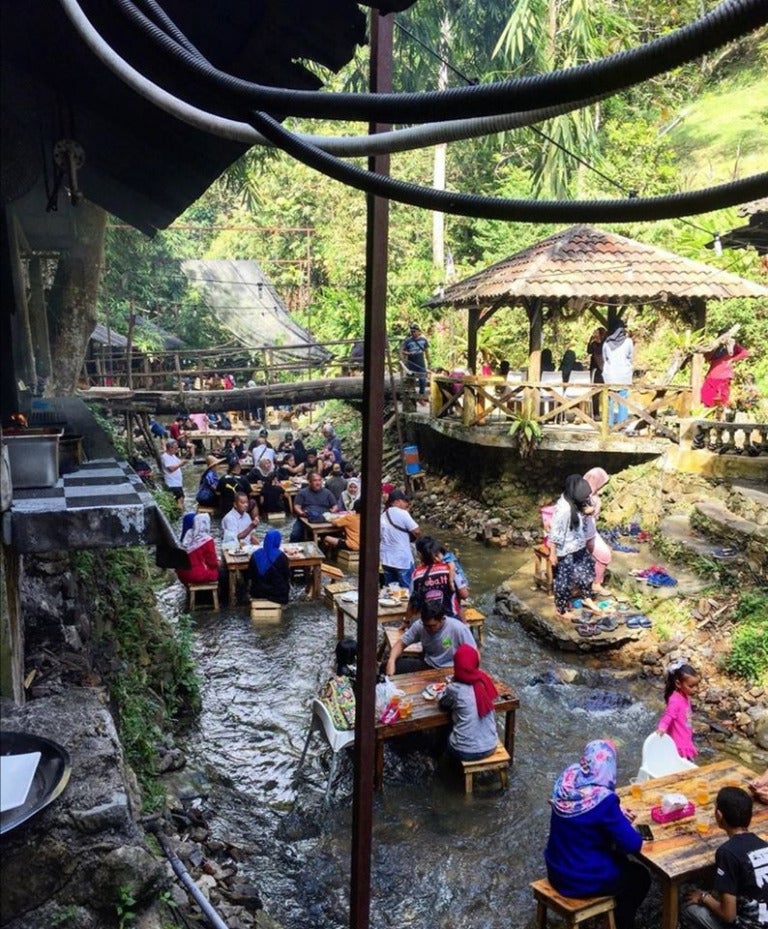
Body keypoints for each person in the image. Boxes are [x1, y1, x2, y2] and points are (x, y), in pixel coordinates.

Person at [545, 739, 650, 929]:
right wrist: (622, 820)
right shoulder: (603, 800)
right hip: (581, 880)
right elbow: (632, 845)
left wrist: (615, 814)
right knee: (640, 876)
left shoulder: (566, 781)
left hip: (555, 869)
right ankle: (620, 923)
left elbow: (585, 818)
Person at [681, 786, 768, 929]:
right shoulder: (763, 844)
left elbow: (729, 916)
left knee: (688, 908)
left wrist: (703, 897)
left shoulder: (727, 853)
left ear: (719, 815)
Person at [548, 474, 600, 620]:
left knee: (586, 571)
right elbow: (555, 533)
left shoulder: (575, 500)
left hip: (578, 544)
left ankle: (586, 597)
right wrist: (553, 554)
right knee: (563, 581)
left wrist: (586, 510)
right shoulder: (563, 510)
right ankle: (562, 609)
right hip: (564, 550)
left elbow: (580, 512)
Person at [385, 596, 476, 676]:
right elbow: (401, 644)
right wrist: (391, 661)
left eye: (433, 626)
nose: (430, 629)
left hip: (452, 668)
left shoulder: (458, 628)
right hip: (429, 664)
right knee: (388, 665)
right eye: (426, 626)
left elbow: (474, 653)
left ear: (442, 619)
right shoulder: (420, 625)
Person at [438, 643, 498, 761]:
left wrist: (446, 688)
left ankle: (444, 765)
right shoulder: (484, 681)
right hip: (491, 745)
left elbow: (443, 704)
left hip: (465, 751)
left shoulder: (455, 689)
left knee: (444, 732)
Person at [407, 536, 463, 622]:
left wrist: (406, 621)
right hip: (452, 620)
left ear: (419, 554)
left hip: (429, 623)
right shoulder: (450, 568)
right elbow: (464, 594)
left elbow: (412, 602)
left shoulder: (416, 574)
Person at [656, 659, 699, 760]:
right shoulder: (675, 700)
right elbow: (668, 716)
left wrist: (689, 726)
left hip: (686, 739)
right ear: (678, 684)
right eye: (691, 686)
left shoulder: (685, 696)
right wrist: (662, 728)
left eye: (697, 685)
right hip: (679, 745)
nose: (696, 689)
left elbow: (684, 715)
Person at [380, 489, 421, 590]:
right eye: (404, 501)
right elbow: (416, 531)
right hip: (402, 559)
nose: (406, 504)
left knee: (391, 590)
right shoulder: (402, 513)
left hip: (386, 559)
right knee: (408, 590)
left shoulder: (383, 515)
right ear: (397, 501)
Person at [701, 328, 750, 410]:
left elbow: (745, 353)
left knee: (721, 397)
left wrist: (732, 359)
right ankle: (708, 413)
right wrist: (715, 347)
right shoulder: (715, 345)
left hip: (724, 375)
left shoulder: (733, 345)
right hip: (712, 374)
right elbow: (707, 357)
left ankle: (719, 416)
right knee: (706, 394)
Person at [583, 466, 612, 596]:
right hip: (578, 534)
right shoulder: (580, 494)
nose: (602, 486)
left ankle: (596, 584)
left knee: (605, 554)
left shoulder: (594, 495)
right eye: (601, 483)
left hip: (591, 532)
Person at [602, 318, 634, 426]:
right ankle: (622, 424)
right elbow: (630, 357)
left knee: (610, 400)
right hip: (624, 375)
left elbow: (604, 358)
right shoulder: (628, 342)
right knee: (623, 401)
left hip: (610, 375)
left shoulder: (606, 343)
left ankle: (609, 424)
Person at [290, 471, 338, 542]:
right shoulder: (302, 492)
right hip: (305, 518)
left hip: (324, 519)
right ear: (309, 482)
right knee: (295, 535)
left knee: (337, 534)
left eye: (319, 480)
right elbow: (297, 506)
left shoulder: (327, 492)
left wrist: (331, 512)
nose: (318, 483)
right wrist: (302, 513)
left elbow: (335, 506)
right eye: (315, 480)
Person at [247, 528, 290, 604]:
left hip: (257, 593)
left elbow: (250, 575)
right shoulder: (281, 556)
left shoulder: (255, 555)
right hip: (278, 596)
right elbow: (286, 575)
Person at [176, 513, 219, 585]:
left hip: (183, 576)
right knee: (218, 572)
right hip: (197, 576)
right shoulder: (207, 540)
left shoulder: (186, 537)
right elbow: (213, 563)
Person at [401, 322, 431, 398]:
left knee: (422, 378)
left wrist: (429, 362)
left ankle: (421, 395)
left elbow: (427, 352)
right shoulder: (408, 341)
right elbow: (403, 351)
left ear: (418, 331)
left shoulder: (423, 340)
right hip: (411, 361)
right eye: (411, 332)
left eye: (414, 331)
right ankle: (411, 395)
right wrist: (408, 353)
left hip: (420, 361)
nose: (413, 333)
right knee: (411, 379)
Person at [160, 439, 187, 513]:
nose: (177, 449)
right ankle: (180, 516)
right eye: (175, 448)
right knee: (179, 500)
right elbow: (171, 469)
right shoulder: (165, 457)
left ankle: (180, 515)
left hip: (177, 483)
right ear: (170, 448)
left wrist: (184, 460)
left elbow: (179, 463)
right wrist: (181, 464)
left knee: (181, 500)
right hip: (172, 483)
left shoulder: (173, 456)